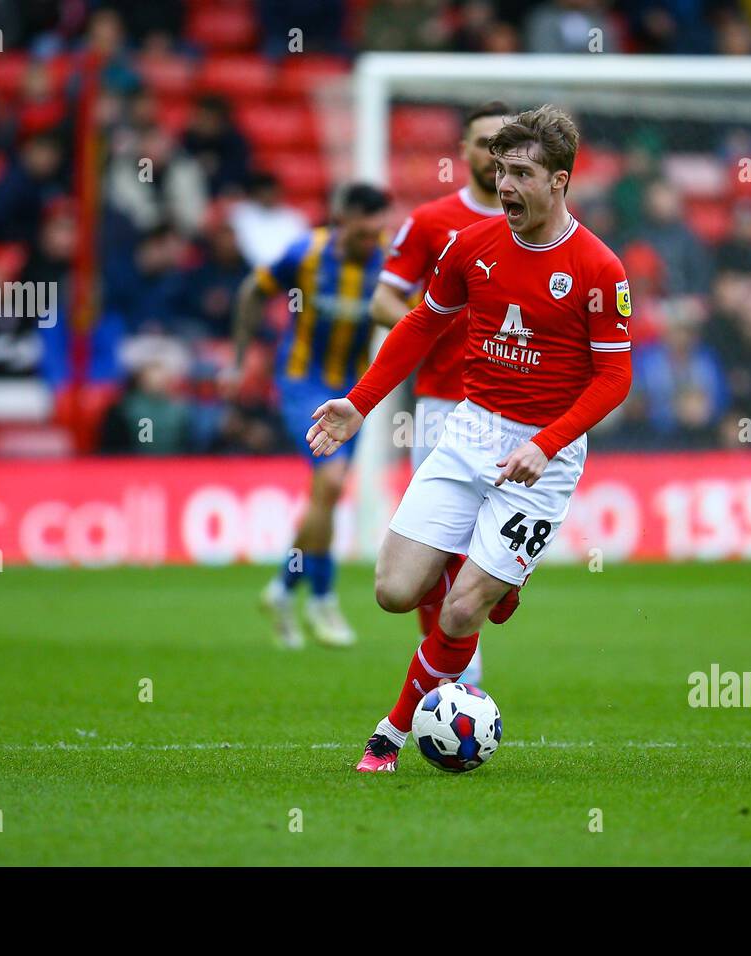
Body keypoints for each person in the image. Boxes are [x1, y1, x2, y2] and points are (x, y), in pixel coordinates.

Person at [306, 106, 633, 772]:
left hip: (544, 455)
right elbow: (422, 325)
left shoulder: (599, 268)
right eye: (501, 171)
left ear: (561, 181)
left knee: (460, 613)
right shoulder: (471, 244)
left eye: (522, 173)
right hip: (468, 431)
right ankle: (498, 577)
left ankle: (388, 737)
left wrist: (547, 443)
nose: (505, 185)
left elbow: (615, 377)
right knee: (395, 592)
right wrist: (360, 405)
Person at [370, 100, 510, 686]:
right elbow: (382, 300)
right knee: (434, 540)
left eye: (505, 143)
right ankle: (458, 669)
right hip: (438, 404)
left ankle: (481, 618)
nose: (493, 153)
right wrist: (432, 324)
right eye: (482, 142)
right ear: (465, 151)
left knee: (487, 542)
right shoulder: (431, 221)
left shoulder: (534, 225)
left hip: (508, 410)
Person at [234, 183, 391, 650]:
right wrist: (240, 358)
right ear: (342, 220)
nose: (373, 240)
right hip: (303, 384)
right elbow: (251, 290)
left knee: (326, 491)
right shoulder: (305, 252)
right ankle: (322, 598)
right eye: (365, 232)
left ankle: (283, 587)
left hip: (354, 392)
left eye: (379, 231)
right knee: (330, 483)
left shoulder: (388, 262)